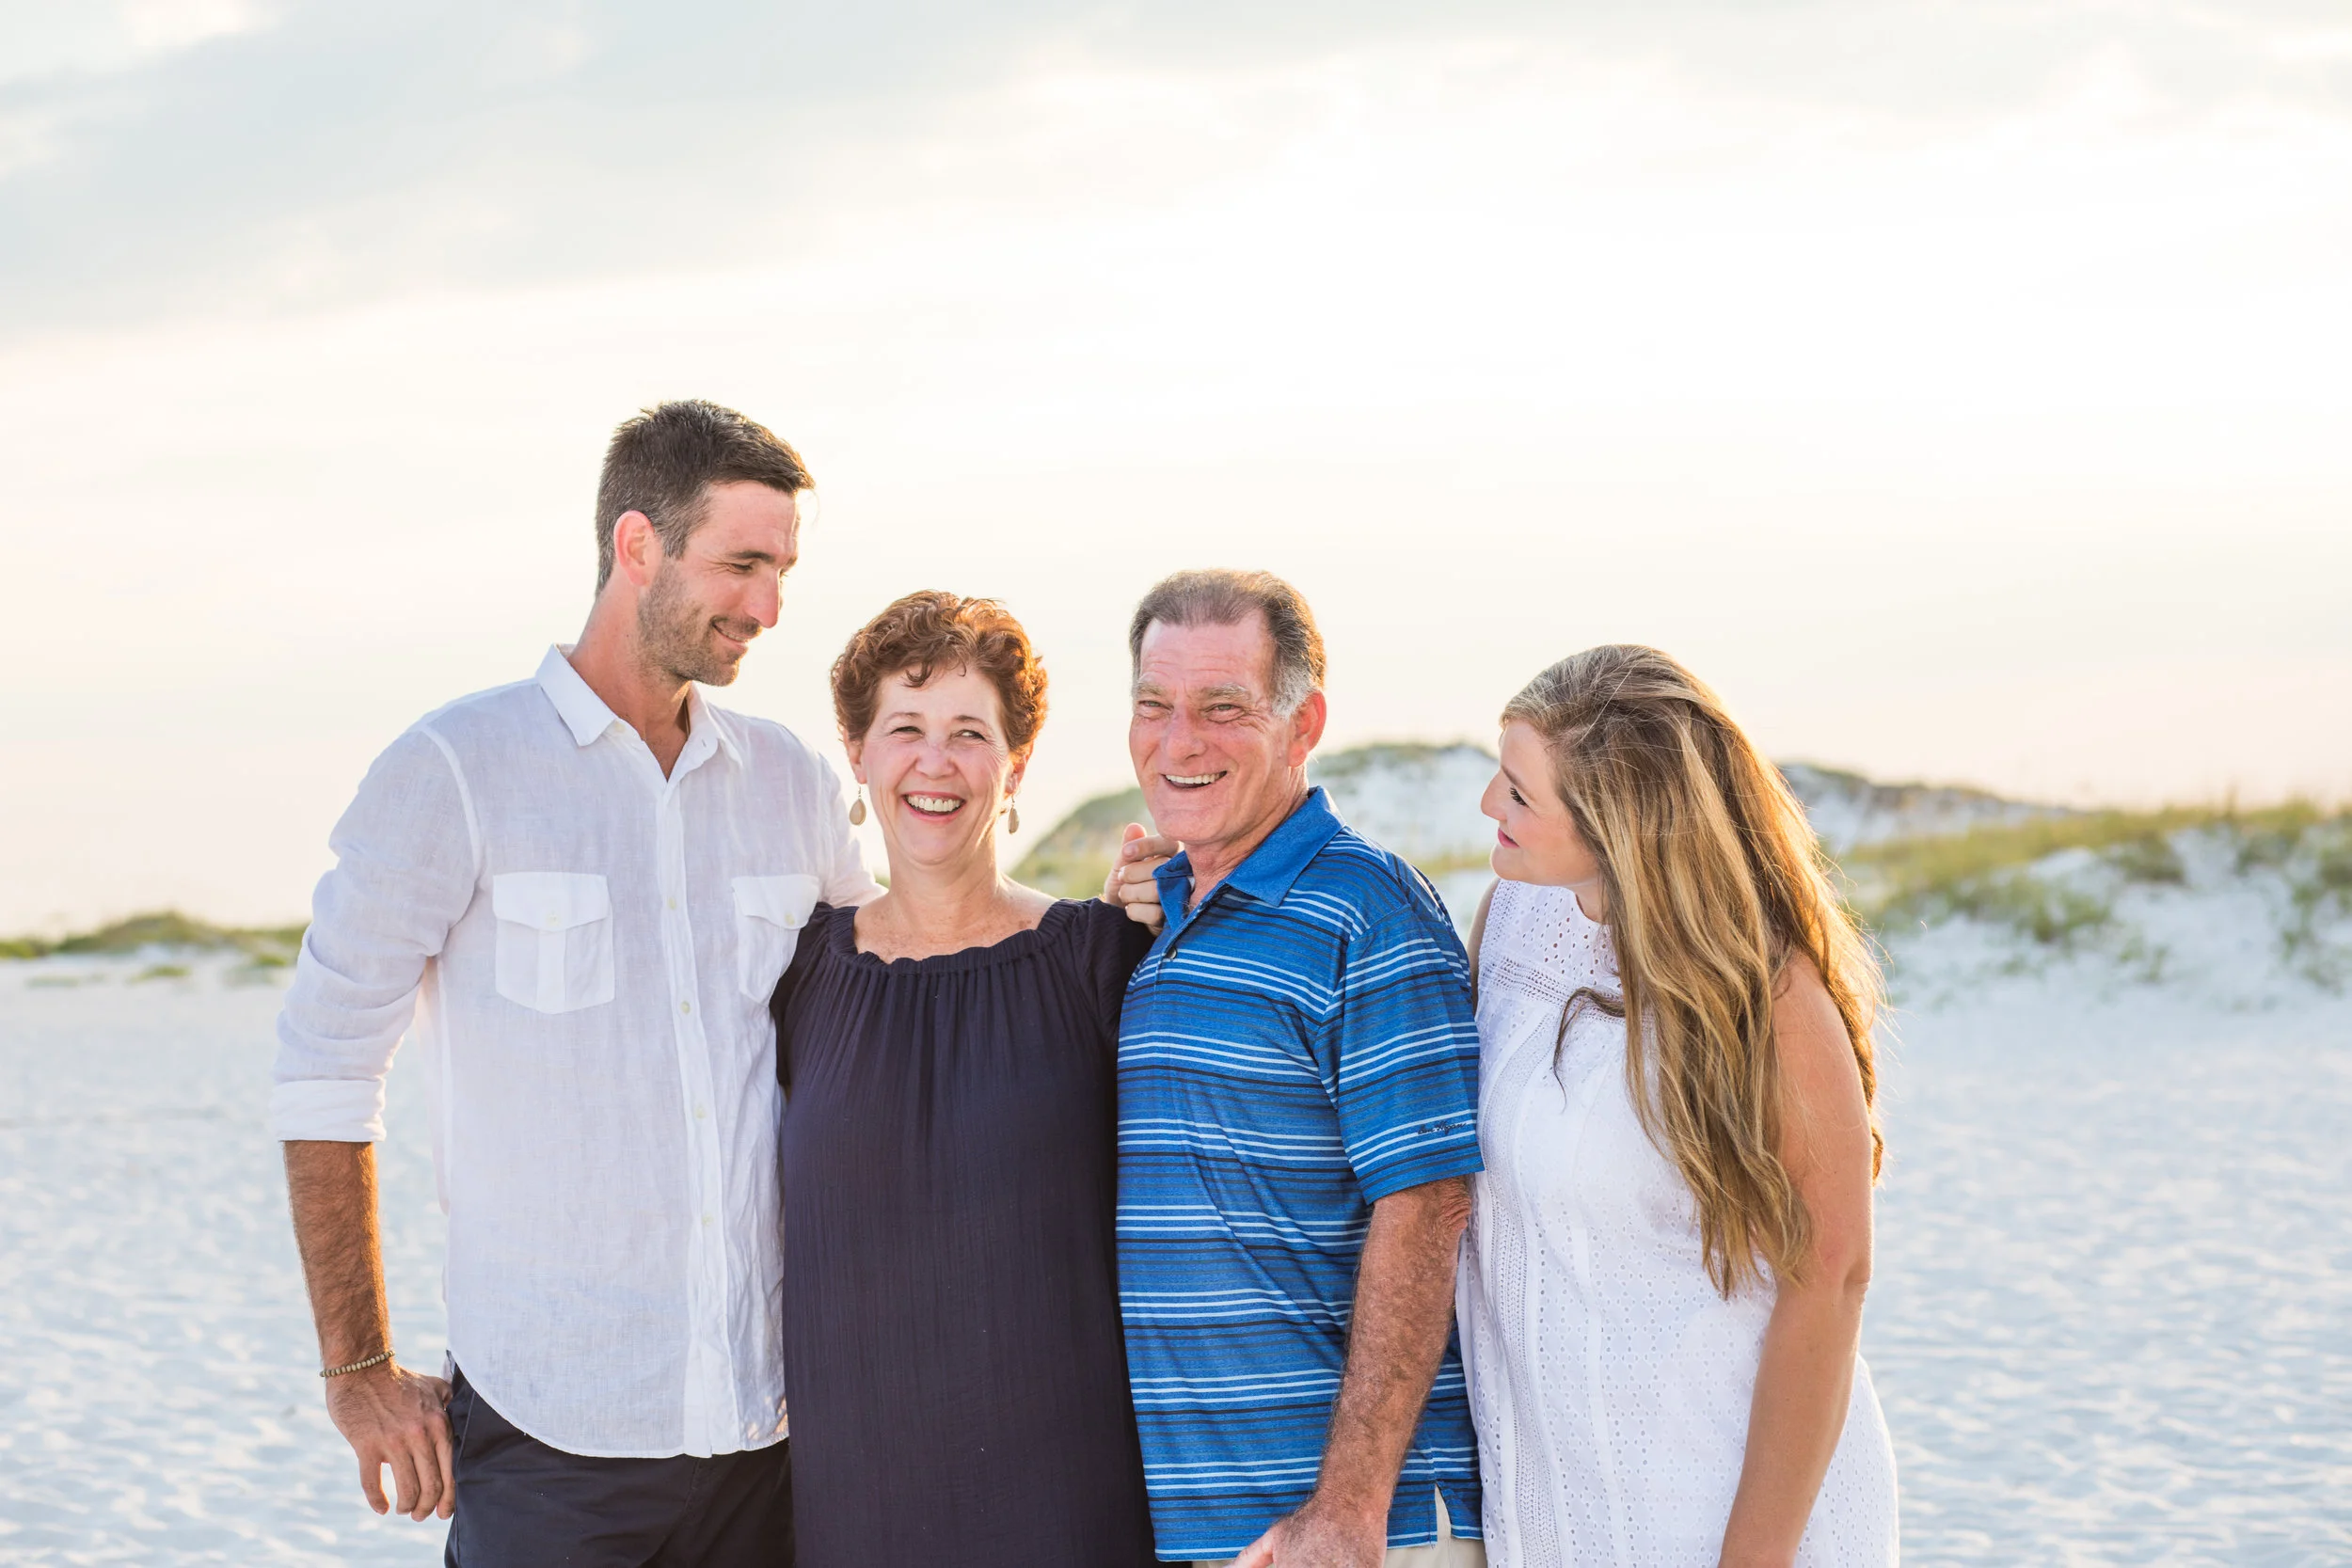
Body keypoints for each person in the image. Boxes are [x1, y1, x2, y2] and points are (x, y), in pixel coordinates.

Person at [269, 400, 872, 1567]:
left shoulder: (791, 781)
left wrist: (1090, 921)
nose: (767, 607)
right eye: (740, 564)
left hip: (779, 1432)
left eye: (783, 571)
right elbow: (323, 1072)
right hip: (551, 1440)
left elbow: (897, 987)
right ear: (636, 545)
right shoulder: (452, 769)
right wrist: (356, 1370)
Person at [1456, 644, 1899, 1567]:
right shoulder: (1509, 918)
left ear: (1622, 825)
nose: (1489, 807)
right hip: (1549, 1513)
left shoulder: (1766, 995)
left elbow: (1832, 1276)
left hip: (1721, 1516)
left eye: (1520, 793)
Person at [769, 591, 1162, 1568]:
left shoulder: (1099, 957)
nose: (933, 761)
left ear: (1015, 765)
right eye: (904, 727)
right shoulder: (801, 972)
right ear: (857, 754)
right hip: (852, 1499)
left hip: (1064, 1498)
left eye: (968, 732)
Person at [1115, 568, 1487, 1568]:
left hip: (1359, 1532)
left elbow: (1430, 1202)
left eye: (1222, 708)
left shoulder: (1369, 911)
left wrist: (1348, 1507)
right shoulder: (1162, 919)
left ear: (1302, 721)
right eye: (1155, 703)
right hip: (1211, 1527)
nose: (1178, 739)